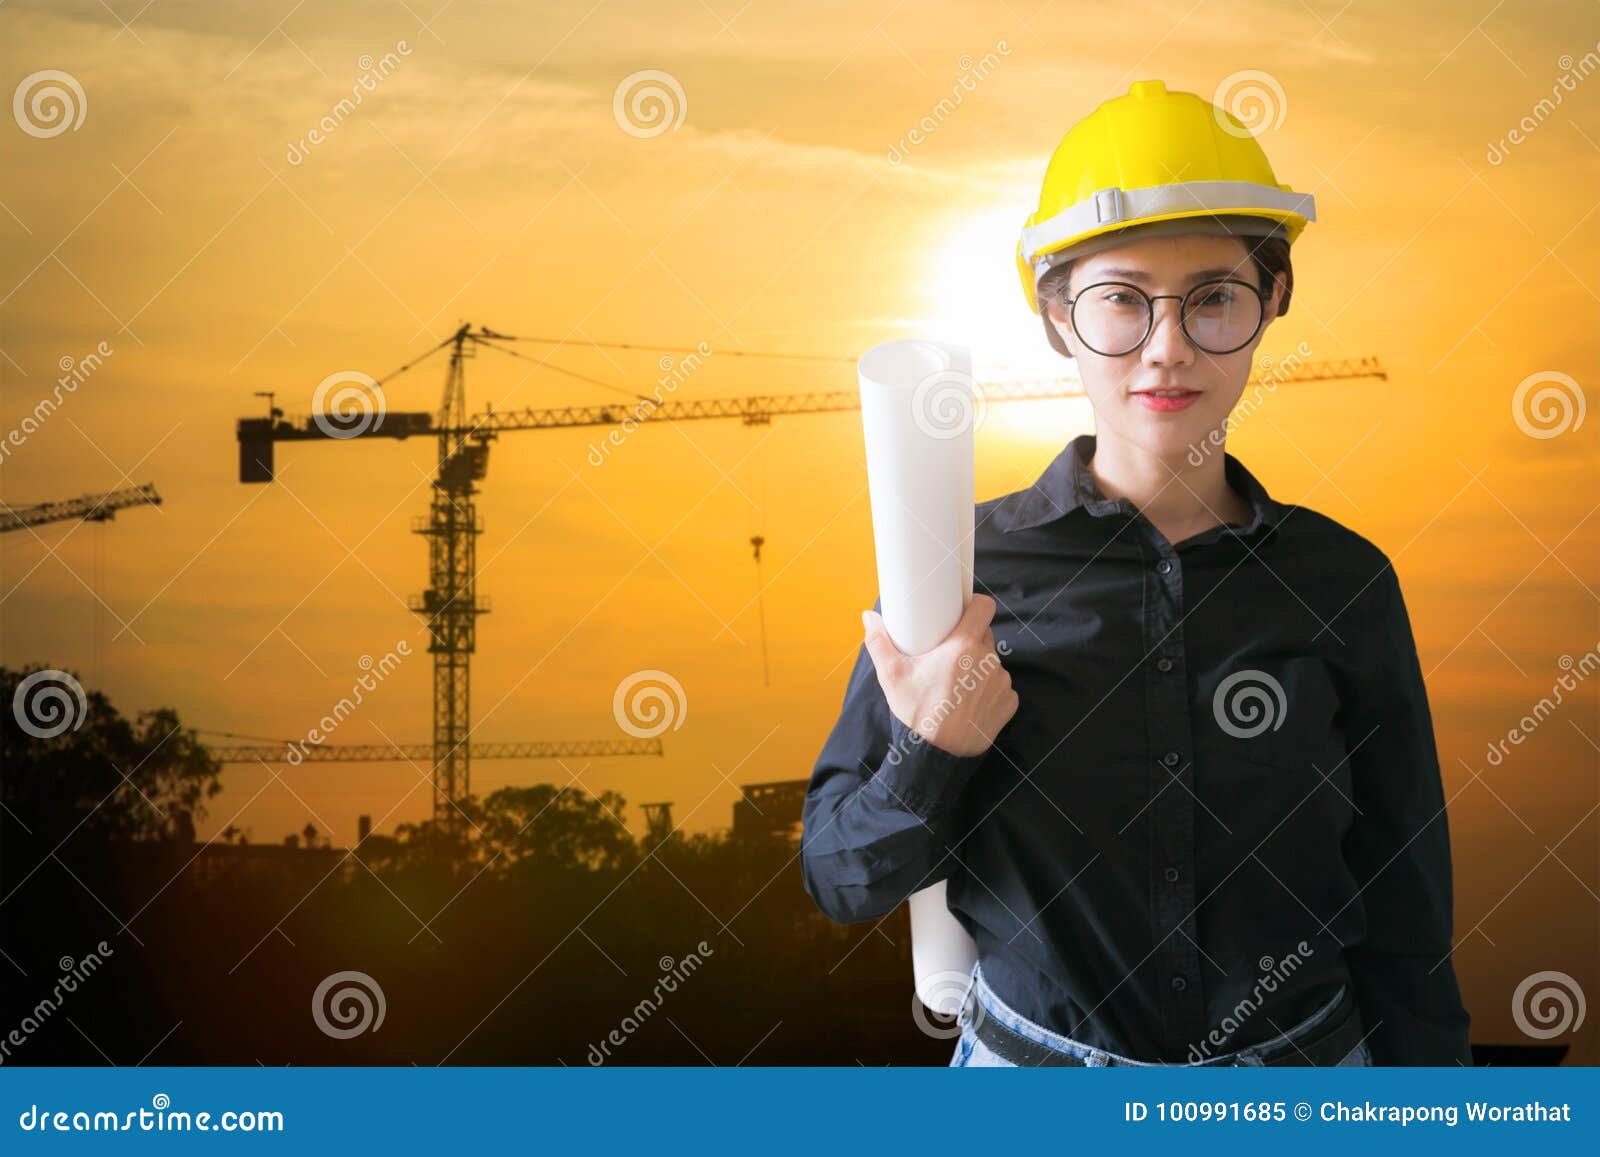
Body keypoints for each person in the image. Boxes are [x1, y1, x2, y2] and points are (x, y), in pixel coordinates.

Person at [799, 79, 1471, 1067]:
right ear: (1055, 317)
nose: (1168, 349)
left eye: (1214, 298)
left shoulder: (1343, 582)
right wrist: (932, 746)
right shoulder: (963, 572)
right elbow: (841, 876)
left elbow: (1403, 900)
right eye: (1120, 300)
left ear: (1274, 298)